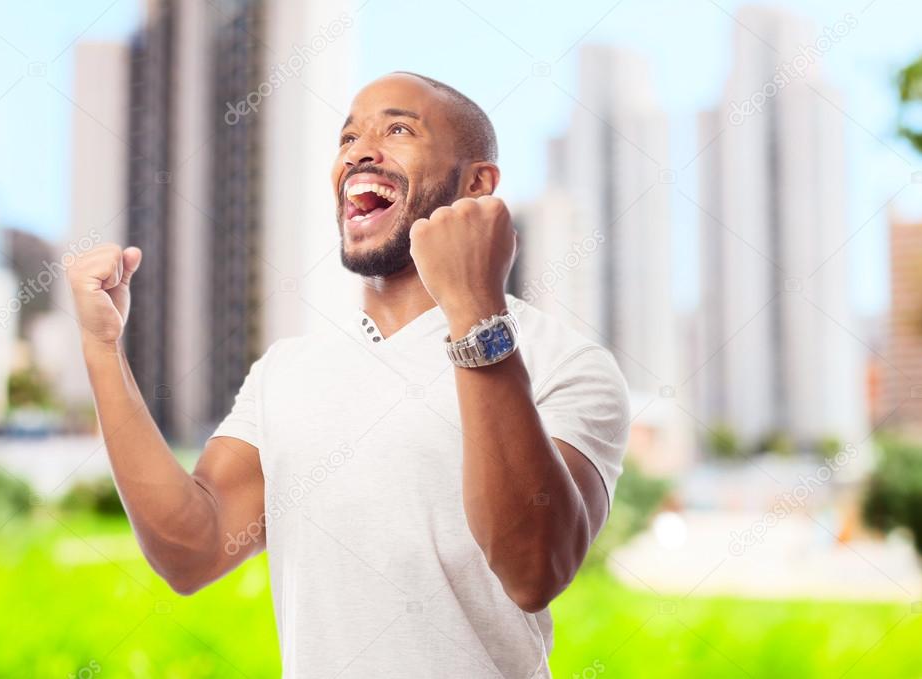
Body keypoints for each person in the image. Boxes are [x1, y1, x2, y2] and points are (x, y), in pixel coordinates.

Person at [67, 71, 631, 678]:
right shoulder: (286, 371)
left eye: (397, 129)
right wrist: (103, 349)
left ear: (476, 184)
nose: (360, 151)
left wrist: (474, 308)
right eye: (348, 138)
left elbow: (534, 569)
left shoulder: (566, 364)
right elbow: (191, 552)